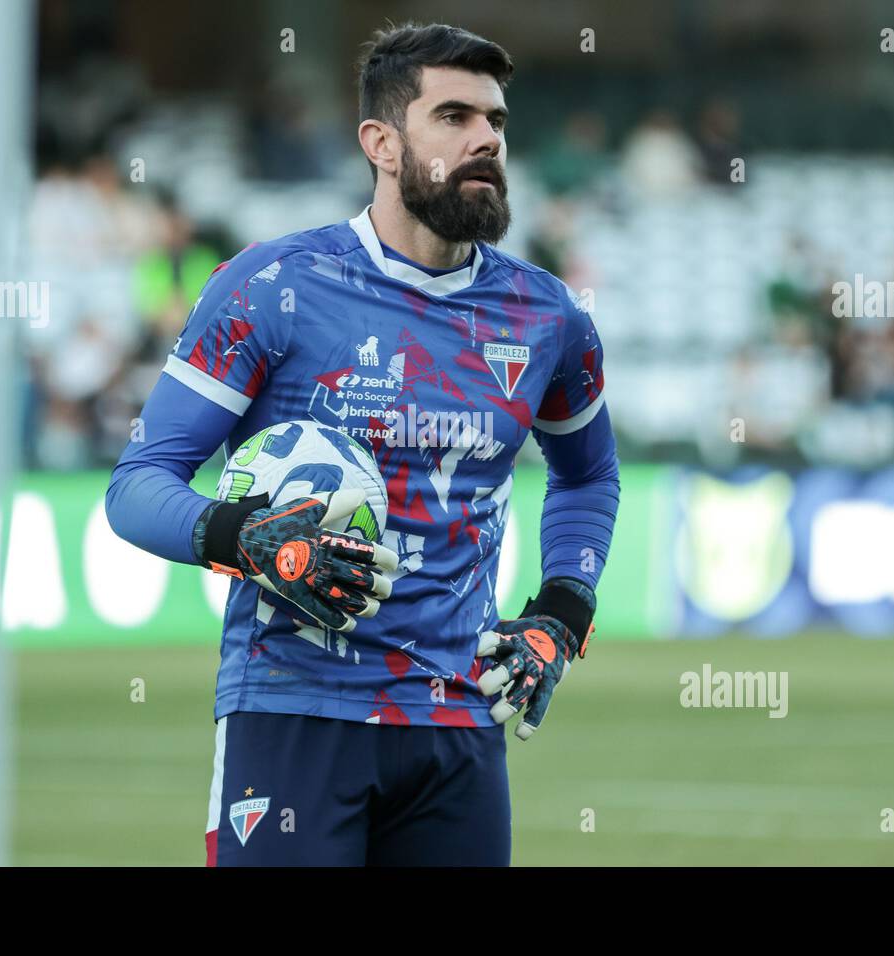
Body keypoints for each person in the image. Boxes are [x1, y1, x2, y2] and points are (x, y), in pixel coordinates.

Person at [105, 21, 620, 866]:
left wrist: (562, 613)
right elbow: (138, 485)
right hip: (292, 711)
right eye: (453, 117)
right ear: (381, 143)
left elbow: (589, 476)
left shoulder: (548, 317)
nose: (486, 138)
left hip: (458, 724)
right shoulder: (274, 287)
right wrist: (250, 543)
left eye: (495, 120)